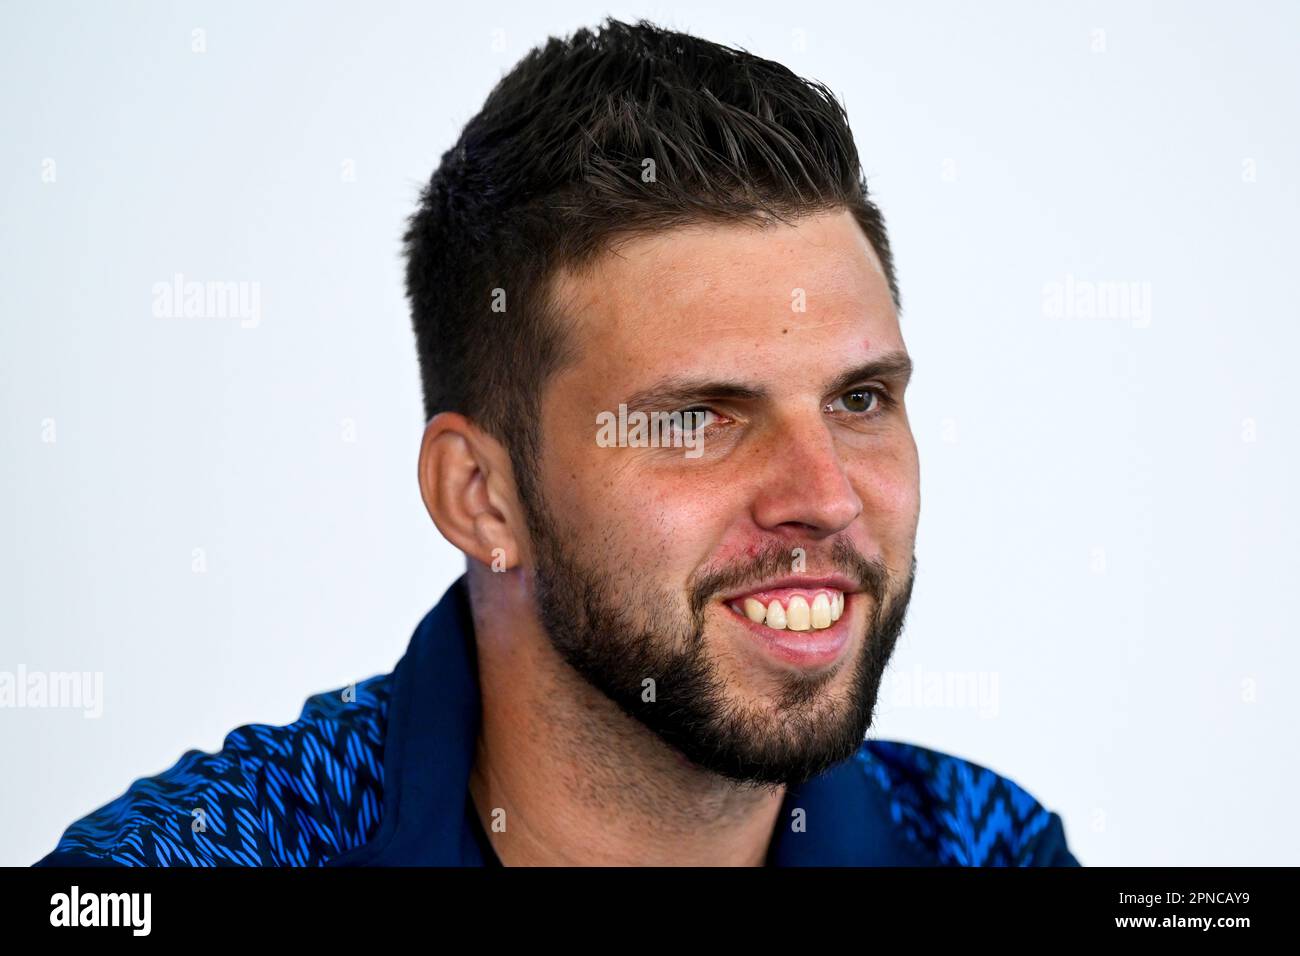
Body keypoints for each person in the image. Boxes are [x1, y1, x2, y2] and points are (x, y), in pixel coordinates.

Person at [35, 17, 1078, 867]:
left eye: (857, 399)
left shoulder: (990, 845)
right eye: (696, 417)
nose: (828, 495)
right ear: (481, 495)